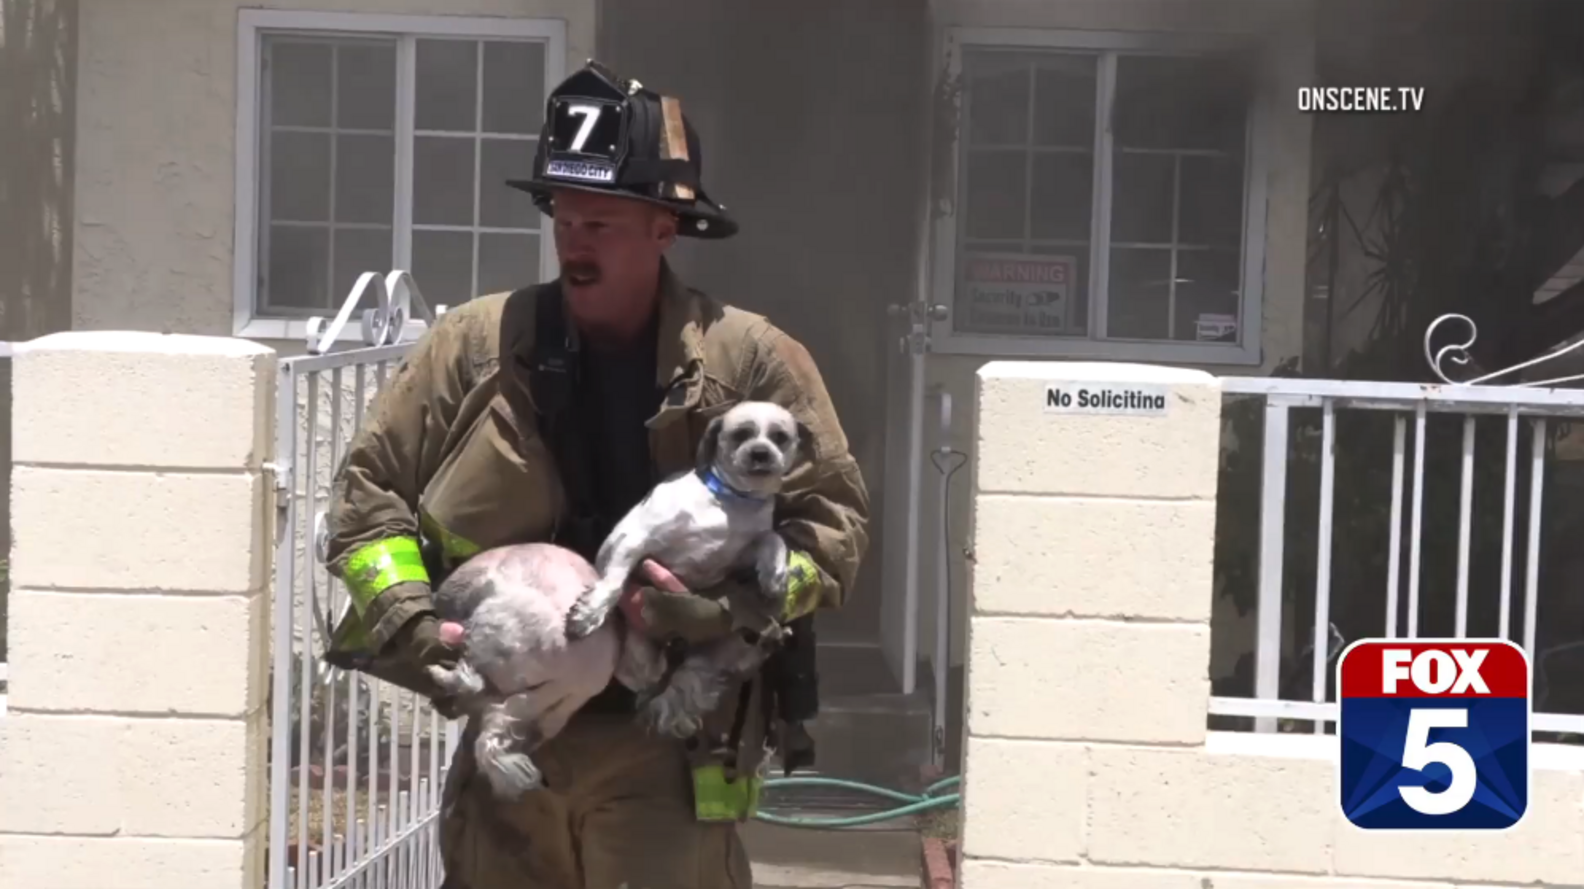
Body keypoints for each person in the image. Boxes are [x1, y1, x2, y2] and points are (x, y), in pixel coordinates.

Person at [319, 60, 871, 889]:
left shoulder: (750, 360)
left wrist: (733, 606)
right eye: (563, 218)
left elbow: (835, 528)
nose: (575, 240)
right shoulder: (474, 348)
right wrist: (410, 622)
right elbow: (365, 504)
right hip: (517, 732)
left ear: (665, 228)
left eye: (603, 222)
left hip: (673, 751)